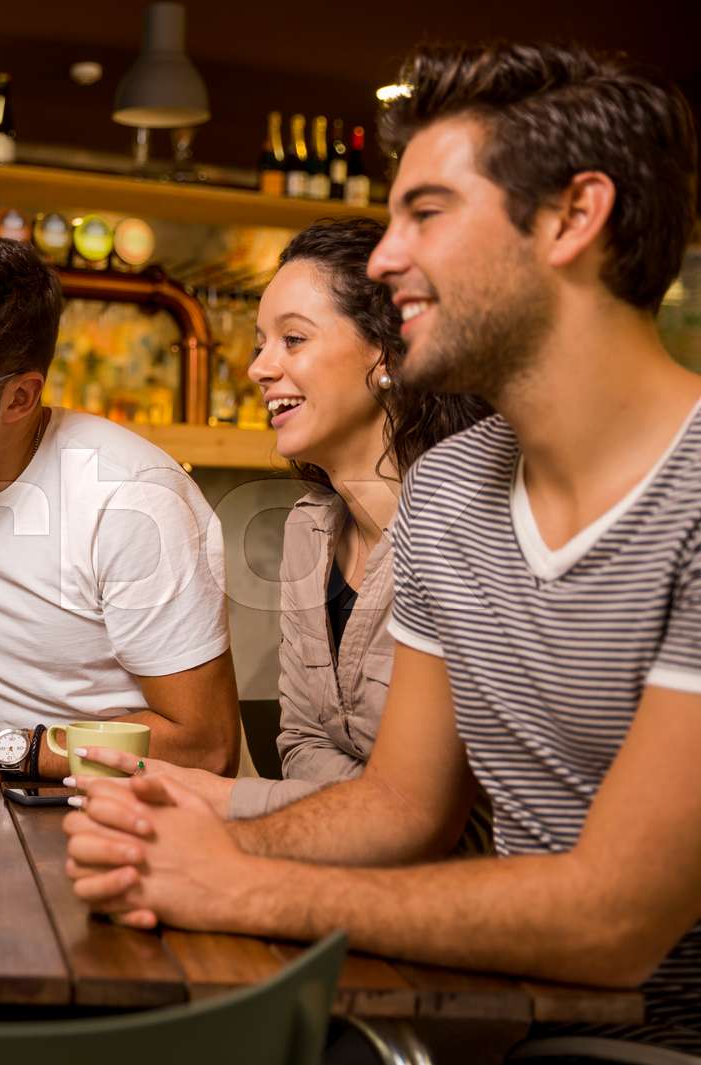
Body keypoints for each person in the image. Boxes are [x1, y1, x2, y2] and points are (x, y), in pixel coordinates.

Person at [65, 42, 701, 1054]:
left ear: (573, 217)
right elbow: (402, 807)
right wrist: (185, 843)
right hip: (506, 1018)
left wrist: (239, 883)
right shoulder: (450, 492)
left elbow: (615, 920)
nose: (385, 258)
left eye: (426, 213)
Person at [73, 218, 490, 855]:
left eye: (293, 339)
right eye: (261, 344)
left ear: (387, 352)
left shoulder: (465, 532)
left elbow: (442, 823)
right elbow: (300, 745)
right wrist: (365, 807)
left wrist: (220, 798)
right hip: (340, 872)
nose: (258, 368)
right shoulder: (309, 530)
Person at [0, 237, 240, 783]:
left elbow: (207, 747)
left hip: (140, 814)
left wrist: (11, 752)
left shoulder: (132, 501)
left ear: (19, 398)